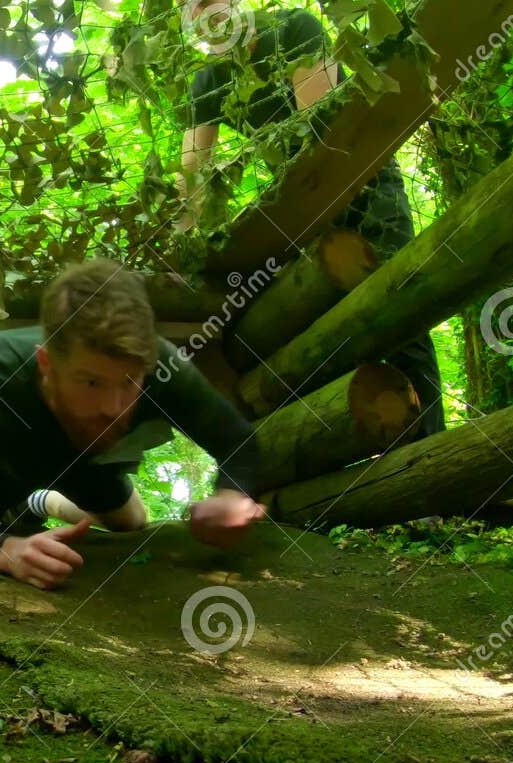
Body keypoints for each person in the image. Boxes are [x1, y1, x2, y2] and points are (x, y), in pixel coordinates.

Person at [0, 259, 266, 590]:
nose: (114, 408)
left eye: (129, 382)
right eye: (91, 382)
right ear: (47, 366)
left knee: (132, 522)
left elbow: (239, 443)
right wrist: (4, 550)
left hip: (81, 460)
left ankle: (40, 502)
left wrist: (232, 495)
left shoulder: (157, 368)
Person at [178, 0, 444, 437]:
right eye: (191, 9)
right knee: (329, 326)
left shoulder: (291, 27)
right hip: (296, 206)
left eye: (211, 2)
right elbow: (192, 173)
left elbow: (321, 131)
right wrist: (184, 246)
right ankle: (373, 459)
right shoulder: (207, 80)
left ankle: (433, 457)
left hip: (362, 180)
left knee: (399, 306)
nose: (203, 14)